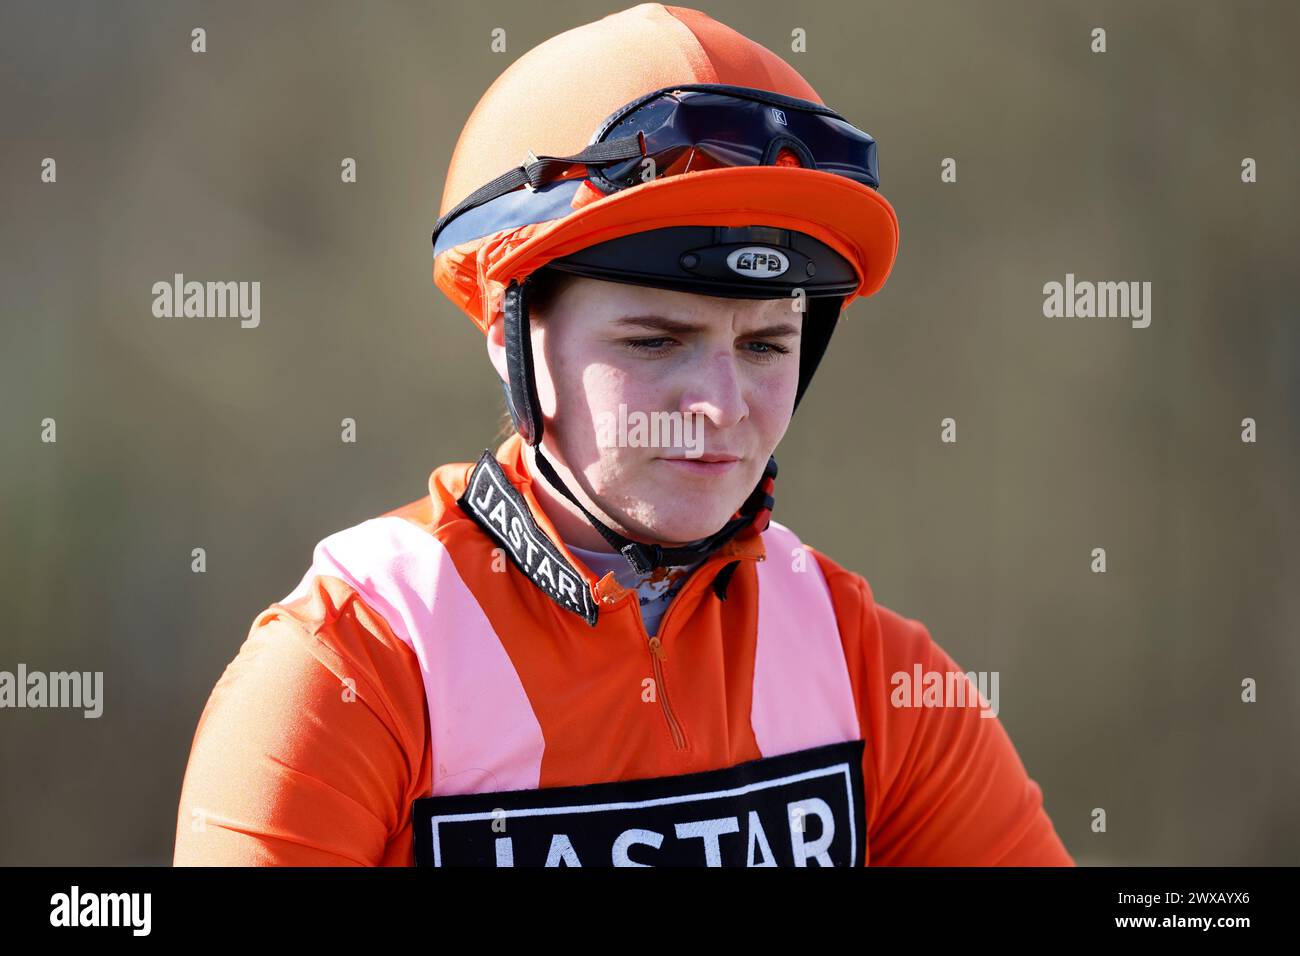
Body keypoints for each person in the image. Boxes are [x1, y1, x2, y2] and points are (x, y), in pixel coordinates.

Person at [173, 2, 1073, 867]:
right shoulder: (346, 669)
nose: (721, 405)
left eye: (765, 343)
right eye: (655, 340)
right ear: (508, 333)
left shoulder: (872, 669)